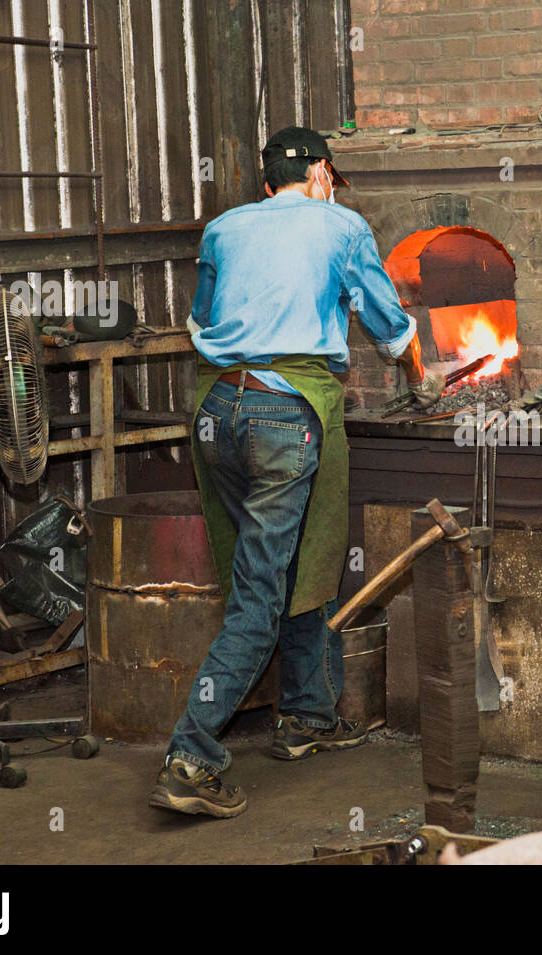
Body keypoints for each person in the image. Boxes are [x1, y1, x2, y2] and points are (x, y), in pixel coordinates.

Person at [148, 125, 443, 818]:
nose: (332, 187)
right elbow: (389, 325)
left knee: (293, 555)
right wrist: (418, 364)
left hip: (218, 411)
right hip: (287, 416)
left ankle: (307, 712)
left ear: (265, 183)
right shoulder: (341, 225)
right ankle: (190, 754)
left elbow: (198, 325)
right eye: (331, 176)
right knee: (260, 590)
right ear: (318, 173)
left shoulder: (224, 228)